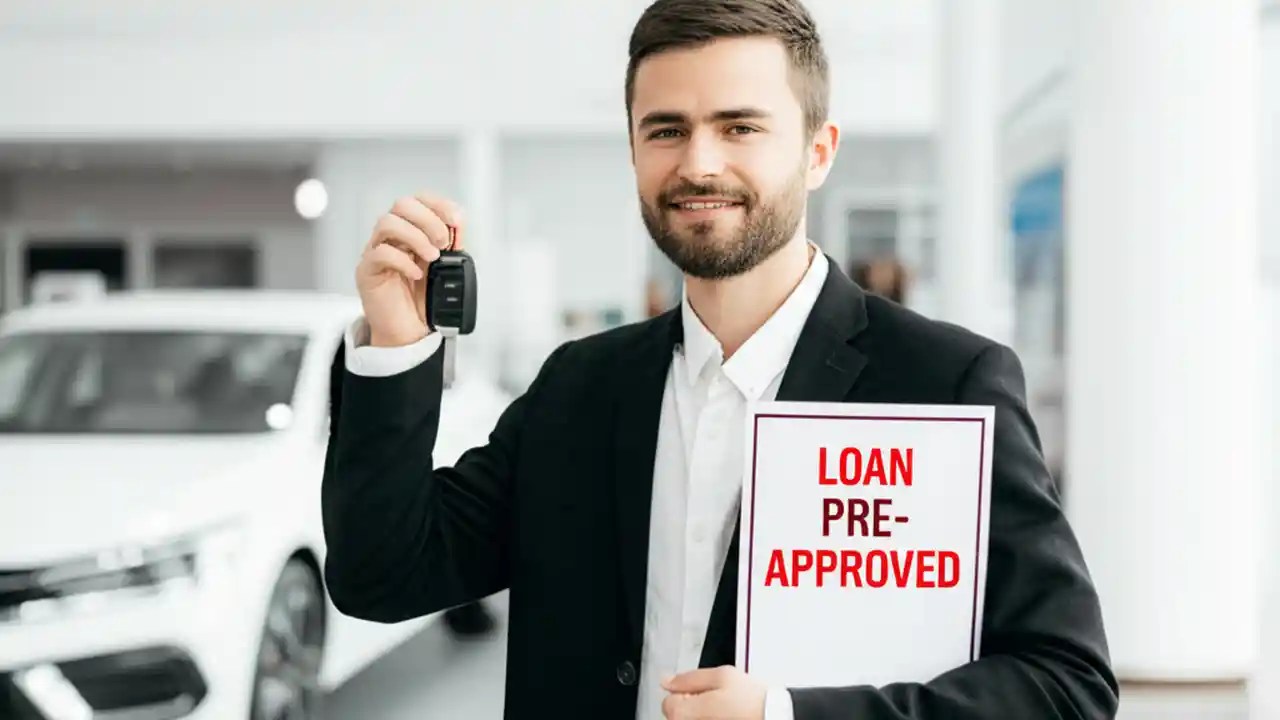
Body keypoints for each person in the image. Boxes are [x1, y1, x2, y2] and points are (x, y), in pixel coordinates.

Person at [321, 0, 1118, 718]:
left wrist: (789, 716)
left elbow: (1065, 683)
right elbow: (383, 576)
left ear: (818, 152)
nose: (699, 163)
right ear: (633, 151)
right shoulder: (578, 388)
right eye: (666, 129)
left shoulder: (947, 384)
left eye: (740, 127)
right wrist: (397, 344)